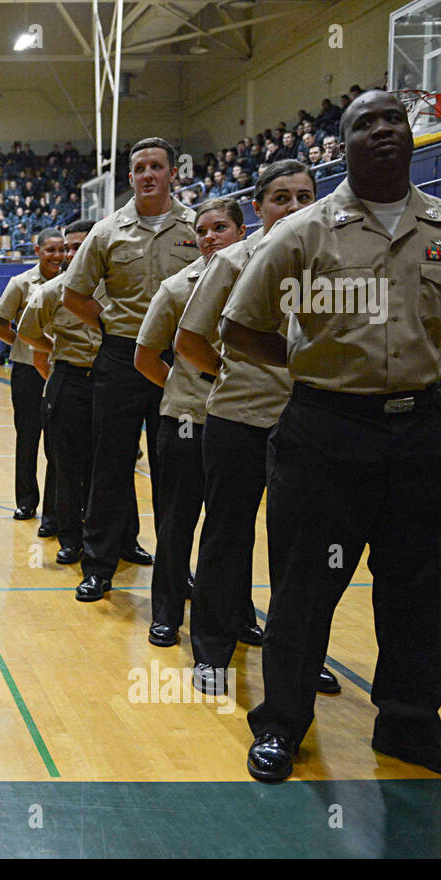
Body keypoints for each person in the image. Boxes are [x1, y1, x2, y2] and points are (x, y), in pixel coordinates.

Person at [220, 91, 441, 783]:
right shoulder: (304, 231)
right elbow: (240, 325)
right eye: (364, 124)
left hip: (420, 432)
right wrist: (316, 366)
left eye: (394, 121)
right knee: (304, 586)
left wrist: (424, 358)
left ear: (412, 137)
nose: (382, 131)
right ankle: (283, 725)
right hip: (326, 431)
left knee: (419, 584)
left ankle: (409, 726)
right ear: (340, 145)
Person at [174, 160, 340, 696]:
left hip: (313, 422)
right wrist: (231, 372)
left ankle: (298, 654)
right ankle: (213, 652)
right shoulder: (231, 261)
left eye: (303, 197)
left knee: (305, 549)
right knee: (227, 536)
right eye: (280, 198)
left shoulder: (334, 261)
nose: (293, 208)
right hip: (239, 419)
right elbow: (189, 340)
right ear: (259, 208)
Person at [60, 137, 200, 601]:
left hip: (179, 359)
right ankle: (98, 565)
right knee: (110, 465)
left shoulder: (196, 226)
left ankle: (176, 567)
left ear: (172, 173)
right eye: (139, 167)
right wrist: (108, 323)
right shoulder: (107, 231)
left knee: (175, 470)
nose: (148, 174)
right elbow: (74, 294)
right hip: (120, 358)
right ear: (130, 177)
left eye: (156, 166)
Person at [132, 198, 245, 649]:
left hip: (242, 421)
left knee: (233, 526)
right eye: (201, 231)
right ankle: (166, 612)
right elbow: (144, 356)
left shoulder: (265, 279)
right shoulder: (177, 287)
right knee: (177, 521)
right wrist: (183, 388)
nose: (210, 237)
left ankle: (237, 613)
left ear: (241, 230)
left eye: (220, 228)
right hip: (186, 421)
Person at [17, 221, 101, 564]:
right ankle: (69, 537)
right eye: (68, 247)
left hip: (108, 380)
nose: (70, 253)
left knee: (109, 466)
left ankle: (118, 539)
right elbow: (25, 332)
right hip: (69, 378)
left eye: (78, 246)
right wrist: (57, 352)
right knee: (65, 464)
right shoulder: (51, 291)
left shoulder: (116, 288)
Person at [0, 228, 64, 524]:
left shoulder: (71, 283)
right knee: (28, 439)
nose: (57, 256)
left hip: (61, 370)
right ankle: (26, 501)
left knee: (57, 442)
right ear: (37, 251)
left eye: (61, 250)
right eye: (50, 250)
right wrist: (24, 345)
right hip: (27, 371)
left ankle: (56, 507)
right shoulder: (20, 283)